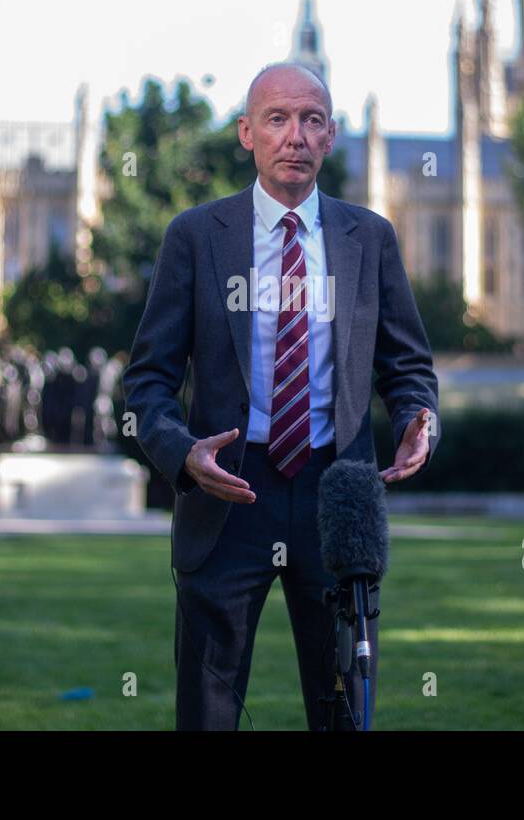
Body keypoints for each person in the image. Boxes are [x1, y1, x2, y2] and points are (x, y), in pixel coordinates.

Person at [123, 62, 441, 730]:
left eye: (312, 119)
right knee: (207, 714)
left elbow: (408, 364)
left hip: (338, 499)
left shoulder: (371, 239)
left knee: (344, 712)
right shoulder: (196, 237)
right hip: (227, 496)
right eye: (277, 118)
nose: (294, 135)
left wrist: (419, 416)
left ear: (330, 137)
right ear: (247, 133)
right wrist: (183, 455)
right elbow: (147, 381)